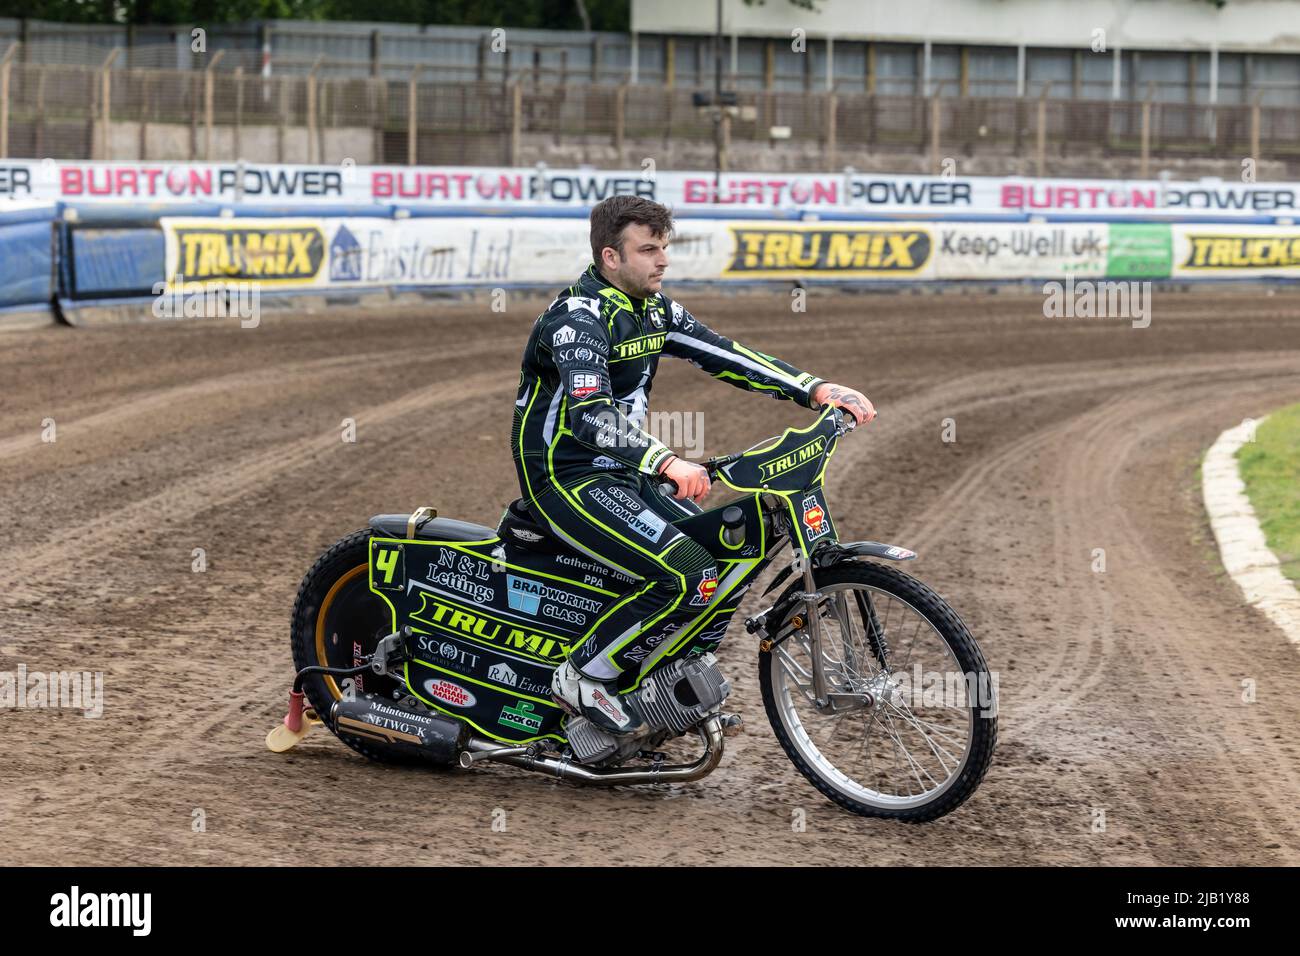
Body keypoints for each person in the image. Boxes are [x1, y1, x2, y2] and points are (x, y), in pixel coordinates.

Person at [510, 195, 875, 736]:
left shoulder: (655, 310)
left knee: (728, 548)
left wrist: (814, 388)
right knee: (688, 571)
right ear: (611, 257)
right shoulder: (576, 319)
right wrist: (667, 460)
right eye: (649, 249)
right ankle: (583, 676)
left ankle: (668, 676)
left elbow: (724, 354)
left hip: (624, 473)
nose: (663, 261)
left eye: (665, 248)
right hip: (565, 479)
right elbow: (590, 418)